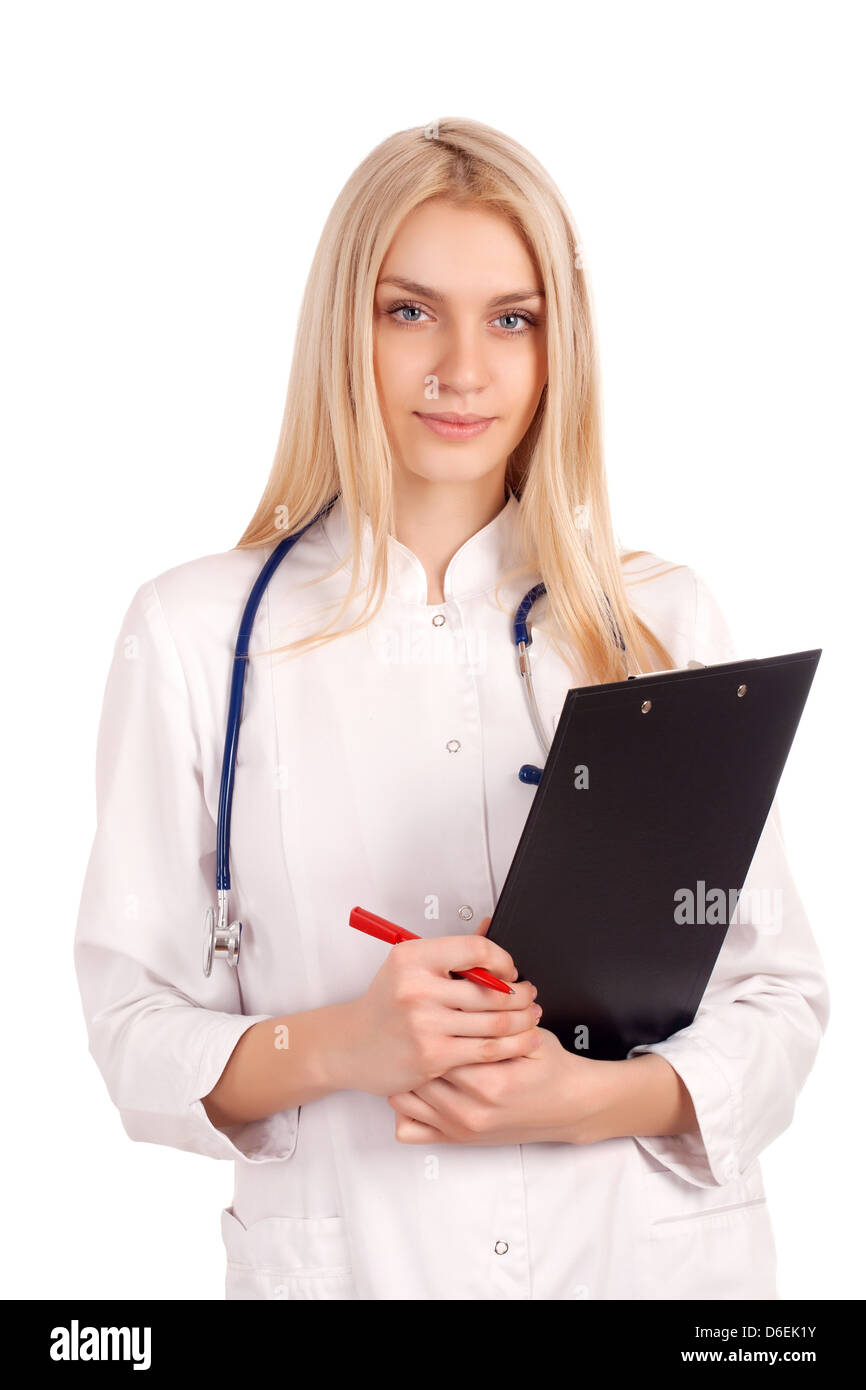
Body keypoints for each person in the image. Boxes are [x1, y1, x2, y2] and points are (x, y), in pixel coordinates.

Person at [73, 117, 829, 1301]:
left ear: (556, 344)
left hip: (645, 1265)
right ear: (344, 329)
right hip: (359, 1263)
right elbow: (131, 1030)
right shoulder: (195, 634)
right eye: (408, 310)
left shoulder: (662, 621)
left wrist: (590, 1097)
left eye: (512, 318)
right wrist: (340, 1044)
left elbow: (775, 995)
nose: (462, 370)